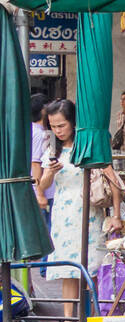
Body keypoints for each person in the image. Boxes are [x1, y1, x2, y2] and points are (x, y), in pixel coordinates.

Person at [39, 100, 124, 304]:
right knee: (67, 271)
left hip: (88, 212)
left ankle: (90, 319)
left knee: (91, 268)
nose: (58, 131)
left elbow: (113, 179)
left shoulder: (88, 146)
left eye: (62, 125)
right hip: (62, 215)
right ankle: (69, 320)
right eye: (53, 126)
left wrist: (117, 215)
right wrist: (50, 172)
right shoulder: (52, 150)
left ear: (73, 122)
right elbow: (42, 185)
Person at [30, 95, 52, 229]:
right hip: (42, 191)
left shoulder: (30, 129)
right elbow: (35, 163)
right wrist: (40, 193)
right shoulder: (41, 134)